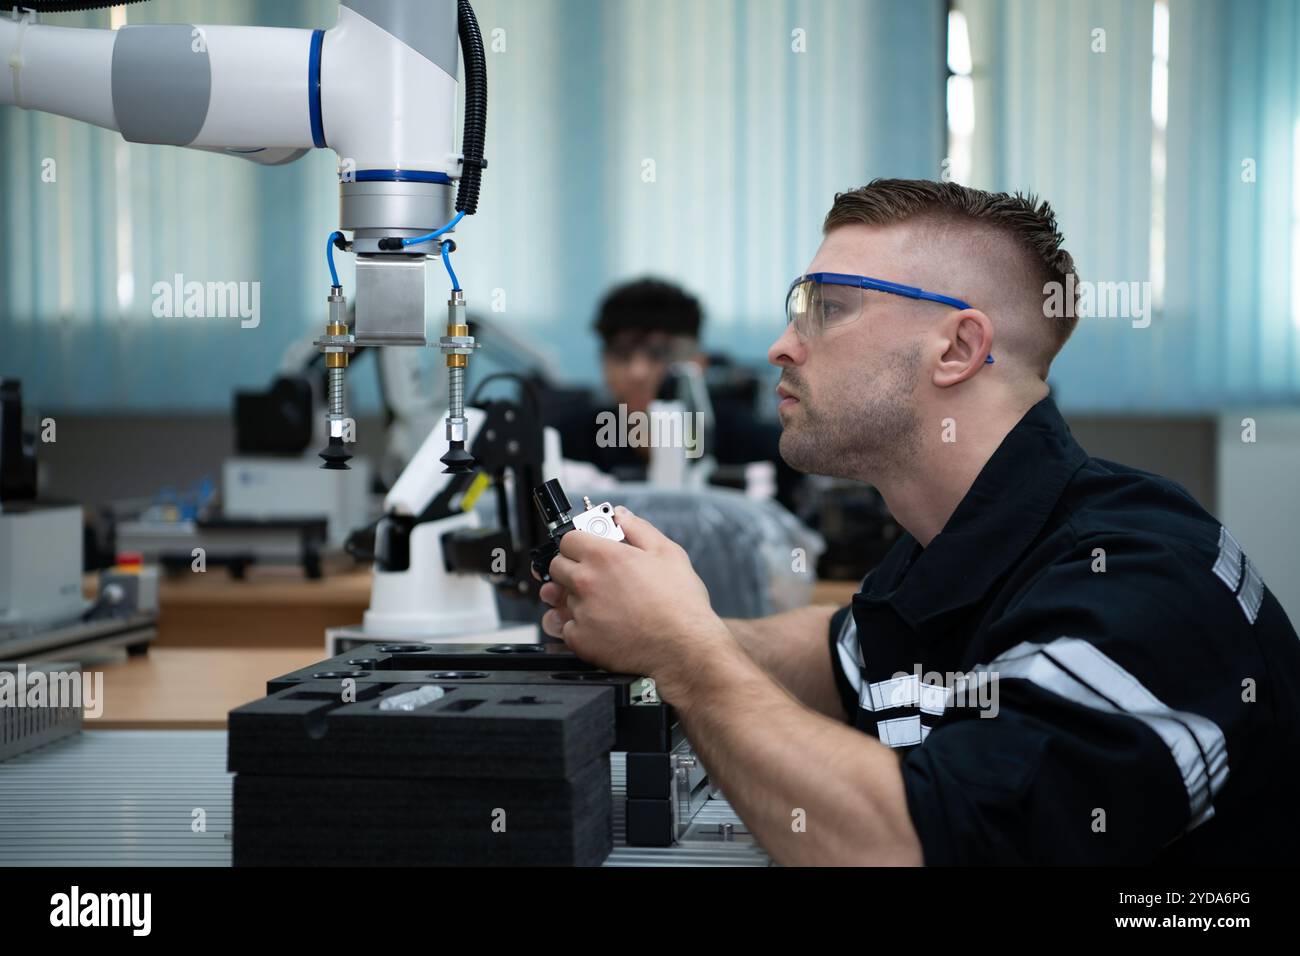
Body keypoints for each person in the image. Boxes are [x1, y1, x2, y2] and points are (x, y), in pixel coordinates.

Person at [534, 178, 1300, 865]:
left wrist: (687, 654)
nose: (780, 346)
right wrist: (648, 619)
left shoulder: (1140, 584)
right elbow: (840, 654)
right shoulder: (963, 544)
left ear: (958, 349)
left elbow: (913, 847)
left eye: (826, 309)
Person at [545, 278, 800, 505]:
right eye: (621, 354)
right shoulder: (568, 443)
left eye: (659, 353)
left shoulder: (750, 443)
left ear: (698, 363)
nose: (638, 371)